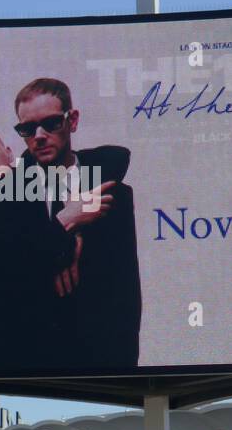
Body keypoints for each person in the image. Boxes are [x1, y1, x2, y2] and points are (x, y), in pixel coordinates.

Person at [0, 127, 117, 373]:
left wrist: (76, 233)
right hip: (11, 350)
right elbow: (18, 266)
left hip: (69, 342)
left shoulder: (38, 182)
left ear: (10, 154)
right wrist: (66, 221)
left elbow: (114, 156)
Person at [13, 77, 141, 370]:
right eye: (28, 128)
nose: (40, 135)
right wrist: (67, 226)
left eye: (51, 123)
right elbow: (13, 270)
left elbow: (124, 288)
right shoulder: (8, 194)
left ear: (73, 120)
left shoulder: (113, 191)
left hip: (103, 357)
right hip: (34, 360)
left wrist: (125, 366)